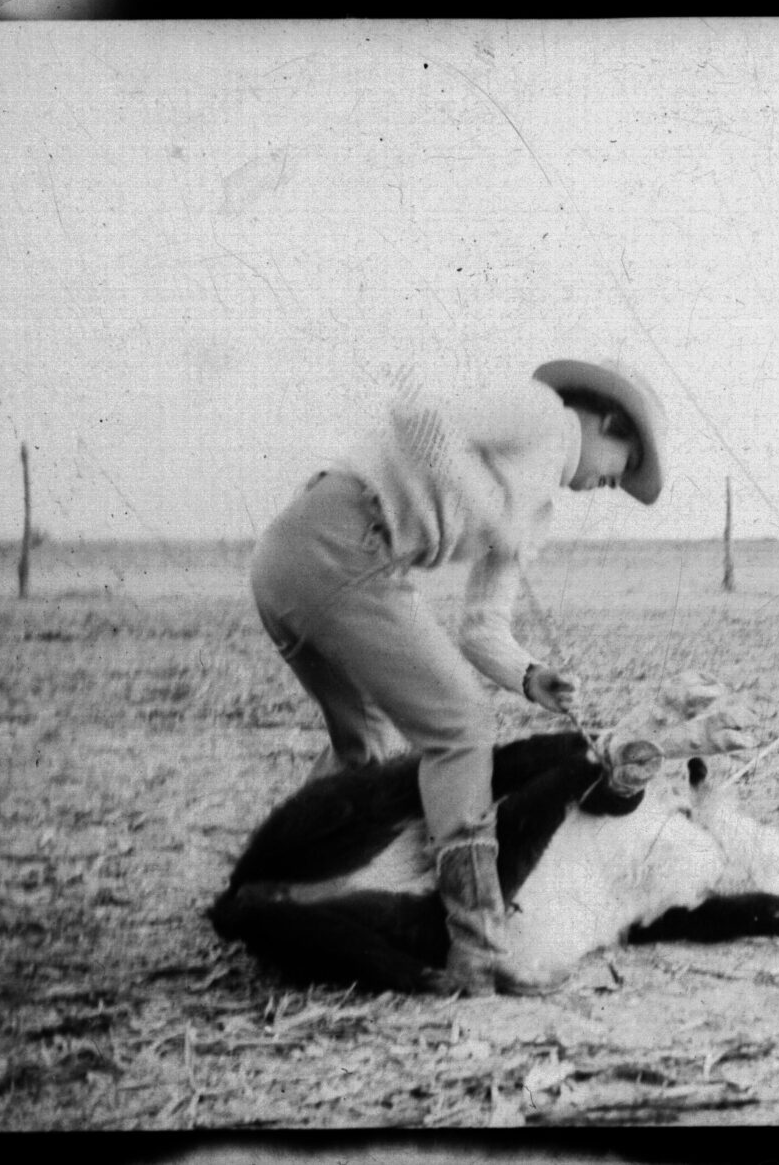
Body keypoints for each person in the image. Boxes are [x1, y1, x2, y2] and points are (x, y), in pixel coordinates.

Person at [248, 358, 665, 995]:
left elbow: (481, 629)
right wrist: (495, 515)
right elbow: (419, 415)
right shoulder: (540, 415)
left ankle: (276, 896)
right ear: (607, 420)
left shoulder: (539, 512)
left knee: (370, 754)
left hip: (295, 562)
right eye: (623, 463)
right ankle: (479, 948)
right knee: (463, 728)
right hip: (341, 538)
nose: (615, 483)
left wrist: (529, 675)